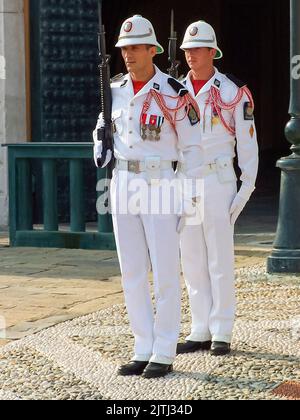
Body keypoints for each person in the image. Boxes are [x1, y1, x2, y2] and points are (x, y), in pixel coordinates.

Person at [93, 15, 202, 378]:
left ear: (152, 50)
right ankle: (142, 345)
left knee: (166, 270)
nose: (128, 54)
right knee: (132, 271)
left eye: (135, 47)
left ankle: (164, 349)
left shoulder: (174, 92)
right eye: (124, 48)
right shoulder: (115, 89)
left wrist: (189, 197)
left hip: (161, 185)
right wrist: (101, 148)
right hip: (124, 182)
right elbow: (101, 125)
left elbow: (193, 150)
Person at [177, 21, 259, 356]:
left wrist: (246, 187)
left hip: (218, 180)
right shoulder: (174, 91)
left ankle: (222, 328)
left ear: (213, 52)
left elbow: (248, 145)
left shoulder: (232, 91)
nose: (191, 56)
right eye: (187, 51)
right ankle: (200, 327)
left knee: (219, 259)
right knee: (192, 258)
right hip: (186, 181)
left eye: (198, 50)